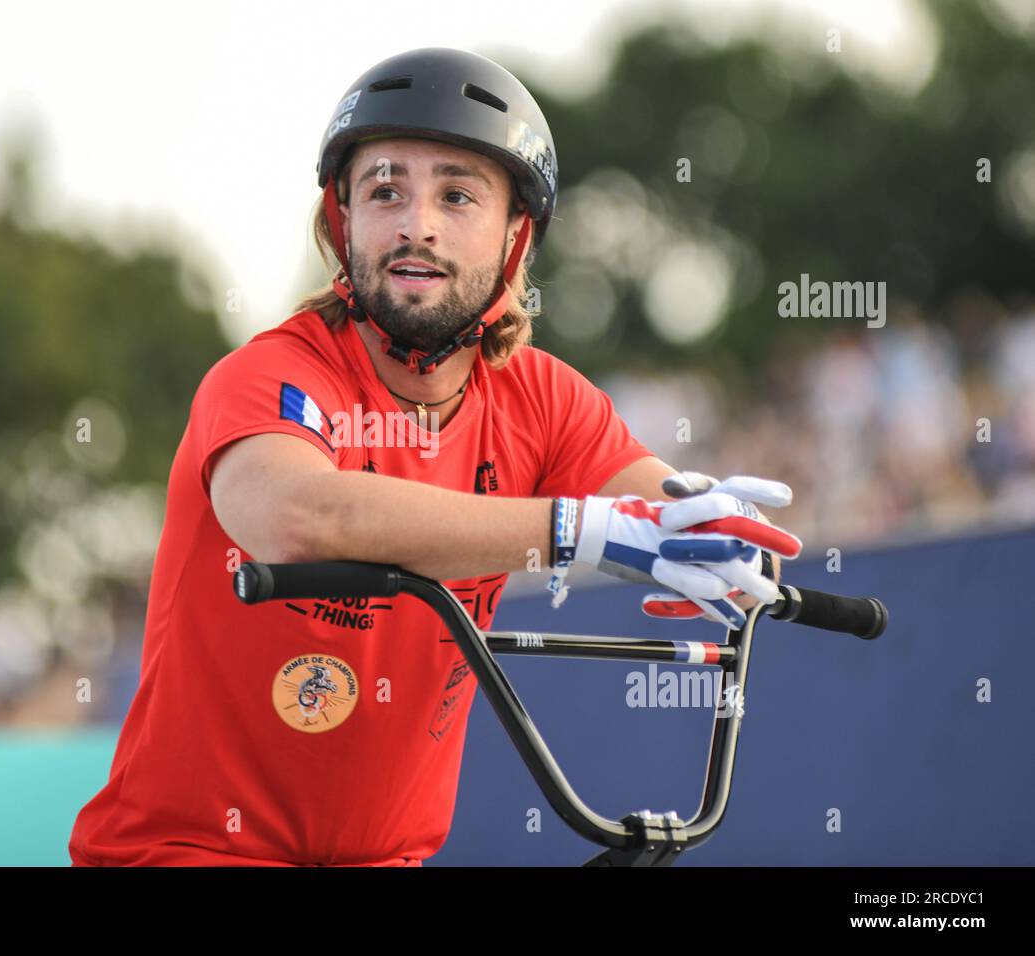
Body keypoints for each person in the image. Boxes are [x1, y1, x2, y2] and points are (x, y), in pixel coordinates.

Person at [69, 47, 800, 867]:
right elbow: (294, 517)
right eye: (386, 190)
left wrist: (706, 530)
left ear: (515, 236)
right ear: (341, 220)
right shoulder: (270, 374)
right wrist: (575, 530)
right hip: (183, 852)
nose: (417, 222)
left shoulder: (543, 399)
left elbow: (649, 504)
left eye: (457, 195)